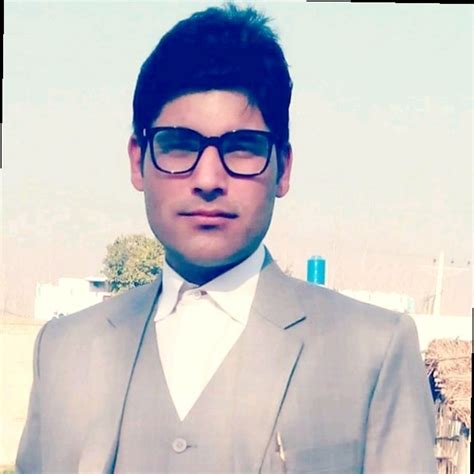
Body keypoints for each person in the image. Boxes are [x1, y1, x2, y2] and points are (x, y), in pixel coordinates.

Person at [17, 3, 437, 473]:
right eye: (179, 145)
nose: (208, 179)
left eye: (241, 148)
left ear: (283, 168)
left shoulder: (372, 349)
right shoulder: (64, 350)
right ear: (138, 161)